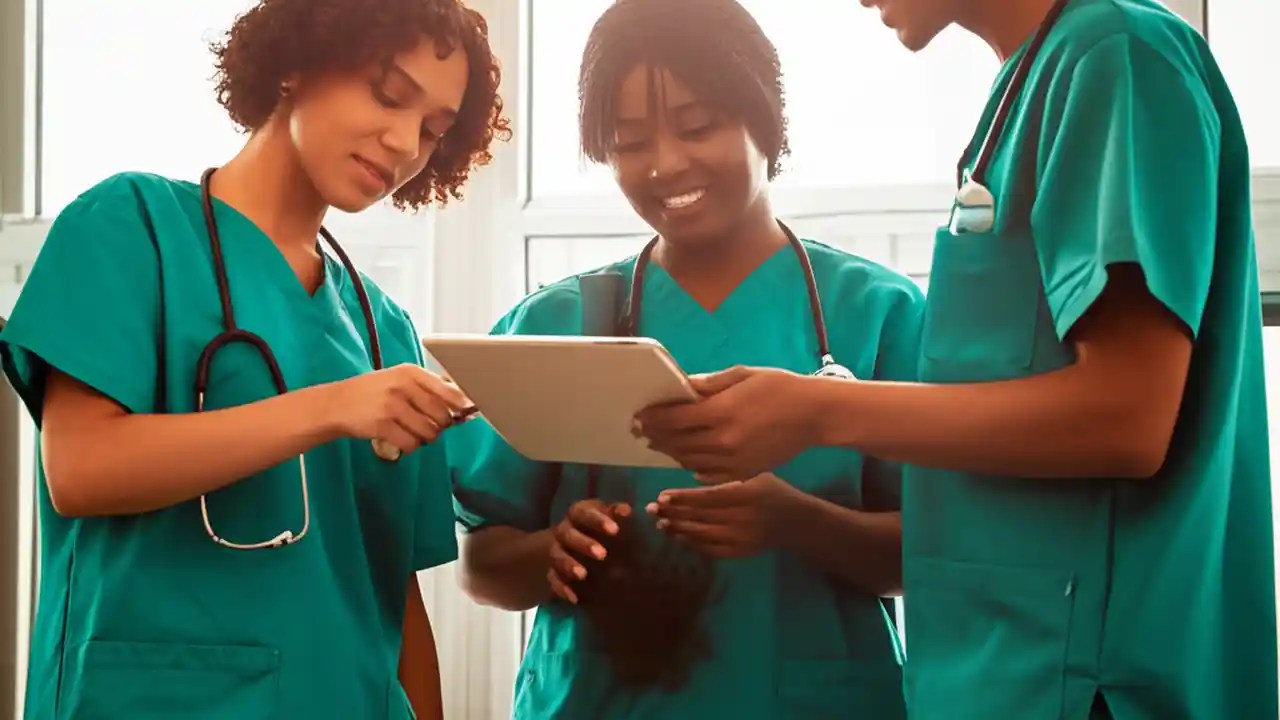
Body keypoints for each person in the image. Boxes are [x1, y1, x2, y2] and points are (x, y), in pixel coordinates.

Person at [635, 0, 1278, 717]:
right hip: (1002, 675)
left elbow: (1129, 416)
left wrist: (818, 410)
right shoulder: (1029, 87)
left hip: (1089, 682)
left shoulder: (1116, 55)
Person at [0, 0, 509, 717]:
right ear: (296, 62)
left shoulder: (382, 330)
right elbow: (81, 469)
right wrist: (333, 407)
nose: (402, 142)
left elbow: (395, 599)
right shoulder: (132, 226)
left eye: (433, 131)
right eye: (387, 94)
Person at [447, 0, 923, 717]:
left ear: (765, 119)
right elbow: (484, 564)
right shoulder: (558, 321)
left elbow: (939, 553)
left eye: (698, 126)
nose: (666, 164)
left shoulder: (879, 314)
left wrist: (799, 523)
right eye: (629, 141)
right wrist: (551, 552)